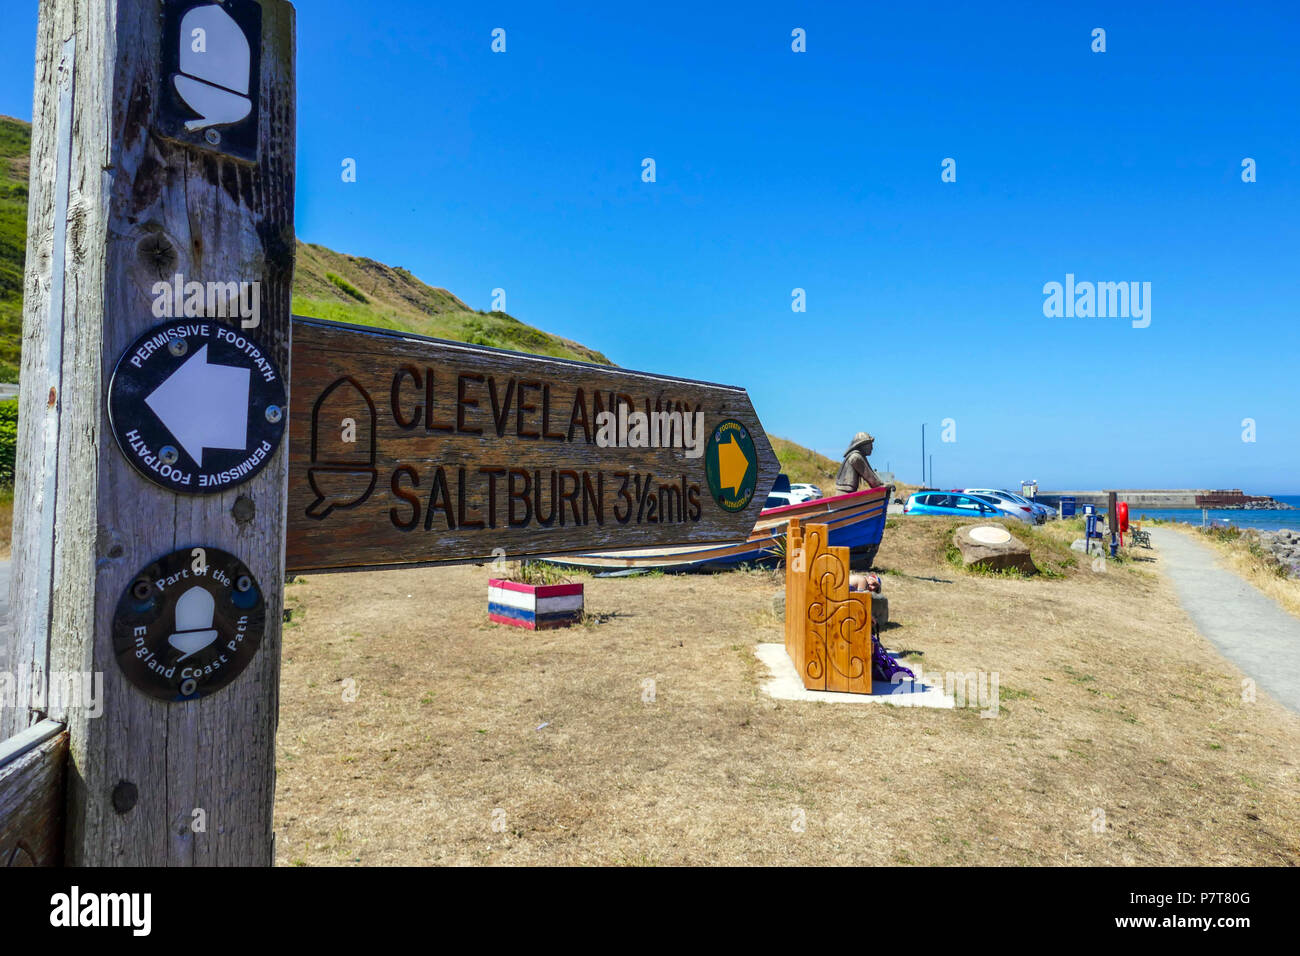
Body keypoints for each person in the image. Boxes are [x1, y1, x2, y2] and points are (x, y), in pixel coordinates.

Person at [835, 432, 887, 496]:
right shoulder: (856, 457)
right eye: (870, 445)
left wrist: (881, 485)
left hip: (848, 493)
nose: (872, 448)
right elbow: (870, 477)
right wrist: (882, 487)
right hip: (845, 495)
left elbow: (872, 475)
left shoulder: (859, 456)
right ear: (863, 445)